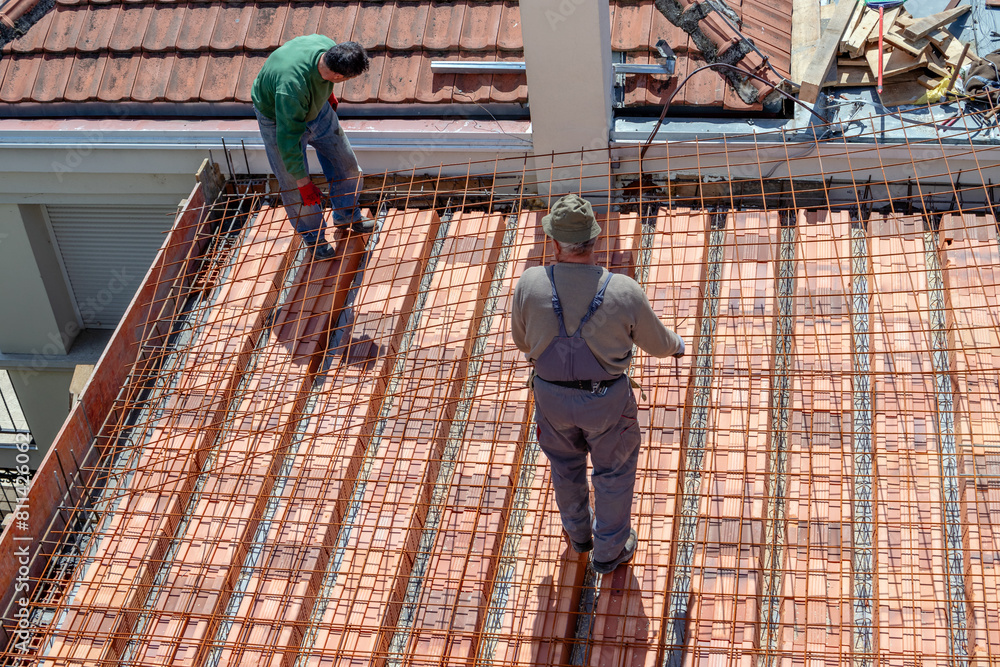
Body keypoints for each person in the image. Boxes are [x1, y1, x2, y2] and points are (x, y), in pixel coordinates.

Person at [511, 194, 685, 574]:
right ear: (596, 240)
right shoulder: (623, 290)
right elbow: (658, 344)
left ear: (554, 242)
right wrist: (677, 346)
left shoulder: (530, 283)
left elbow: (522, 341)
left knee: (565, 465)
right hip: (606, 402)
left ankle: (579, 535)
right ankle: (609, 552)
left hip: (551, 399)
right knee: (614, 472)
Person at [252, 35, 374, 261]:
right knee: (295, 188)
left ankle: (346, 215)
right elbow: (288, 141)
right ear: (338, 75)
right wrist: (303, 182)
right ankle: (314, 238)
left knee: (348, 166)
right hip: (279, 119)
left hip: (316, 110)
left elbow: (319, 81)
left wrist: (326, 95)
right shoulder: (291, 89)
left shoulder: (326, 46)